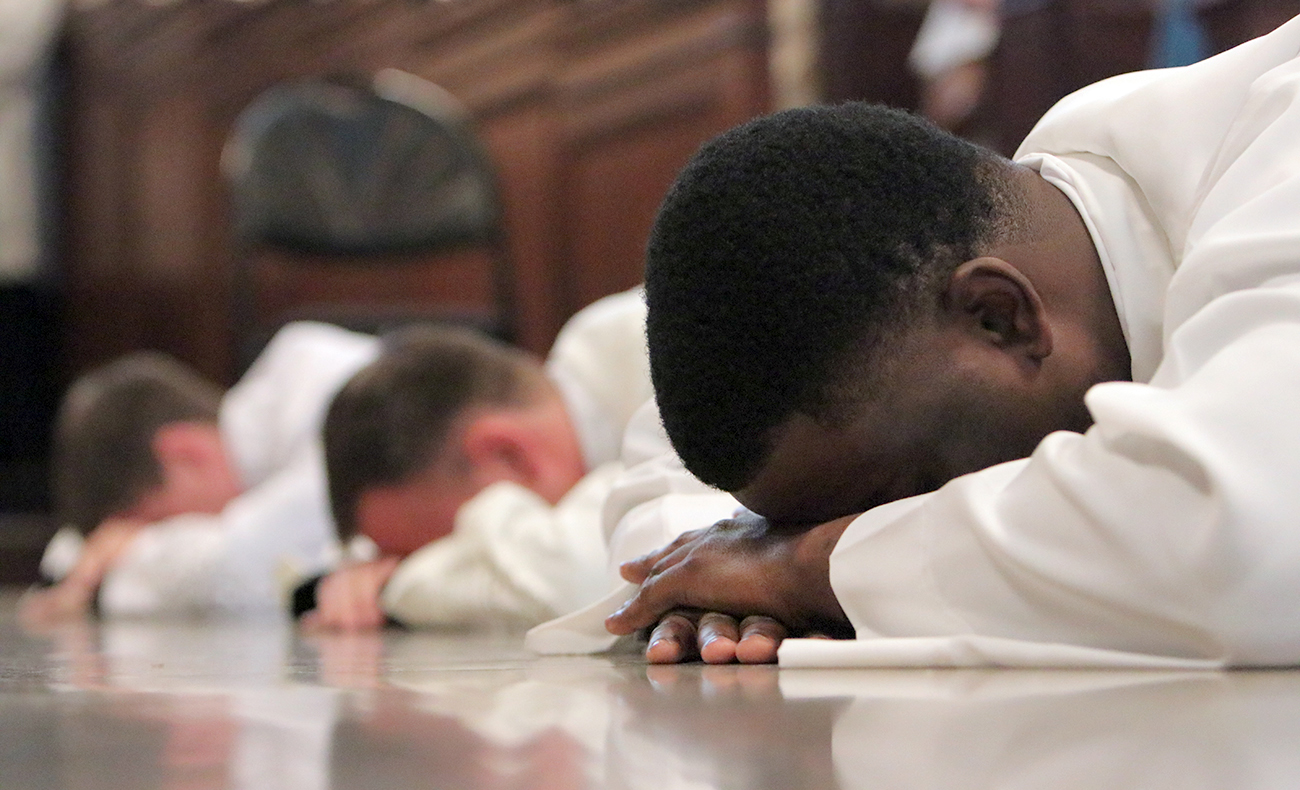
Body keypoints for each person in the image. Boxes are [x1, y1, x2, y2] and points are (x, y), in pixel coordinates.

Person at [590, 13, 1300, 667]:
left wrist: (808, 569)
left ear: (1000, 315)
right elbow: (670, 470)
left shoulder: (1280, 154)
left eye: (909, 499)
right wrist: (717, 581)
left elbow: (1248, 545)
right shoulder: (926, 303)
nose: (892, 527)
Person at [300, 288, 655, 631]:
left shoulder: (661, 358)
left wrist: (393, 588)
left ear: (507, 453)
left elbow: (591, 580)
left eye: (453, 545)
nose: (448, 561)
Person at [23, 321, 378, 620]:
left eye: (168, 527)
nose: (182, 537)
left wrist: (117, 571)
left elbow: (249, 574)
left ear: (184, 452)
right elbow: (70, 551)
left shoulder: (325, 385)